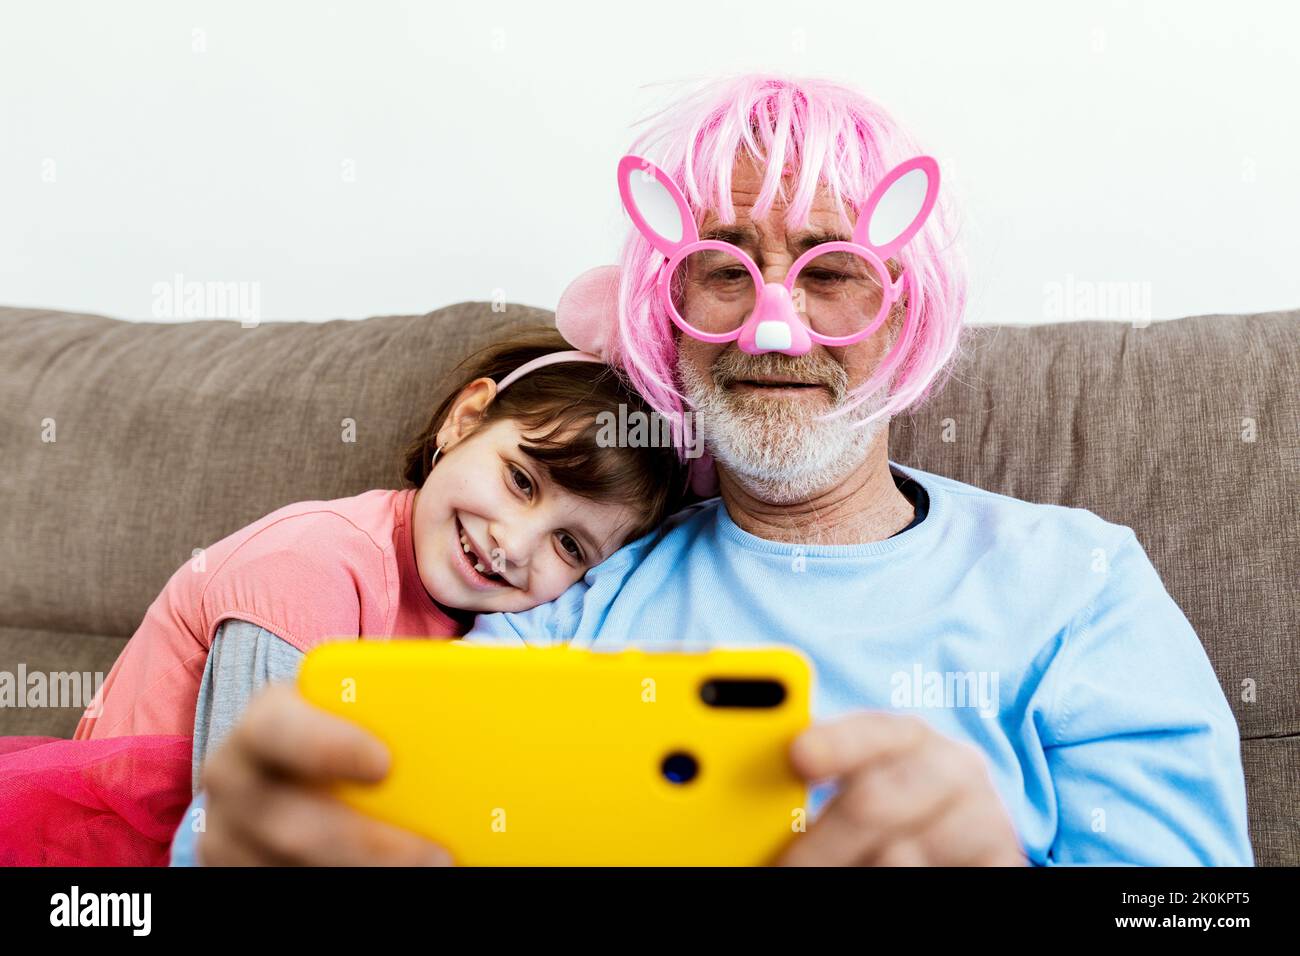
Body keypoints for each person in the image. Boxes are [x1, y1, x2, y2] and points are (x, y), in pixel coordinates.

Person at [178, 73, 1253, 866]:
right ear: (663, 314)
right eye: (720, 271)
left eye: (834, 273)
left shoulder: (1079, 583)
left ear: (909, 312)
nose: (774, 330)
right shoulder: (575, 596)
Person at [75, 327, 687, 803]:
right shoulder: (308, 565)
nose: (516, 544)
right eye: (521, 480)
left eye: (570, 546)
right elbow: (244, 824)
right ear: (465, 419)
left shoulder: (501, 632)